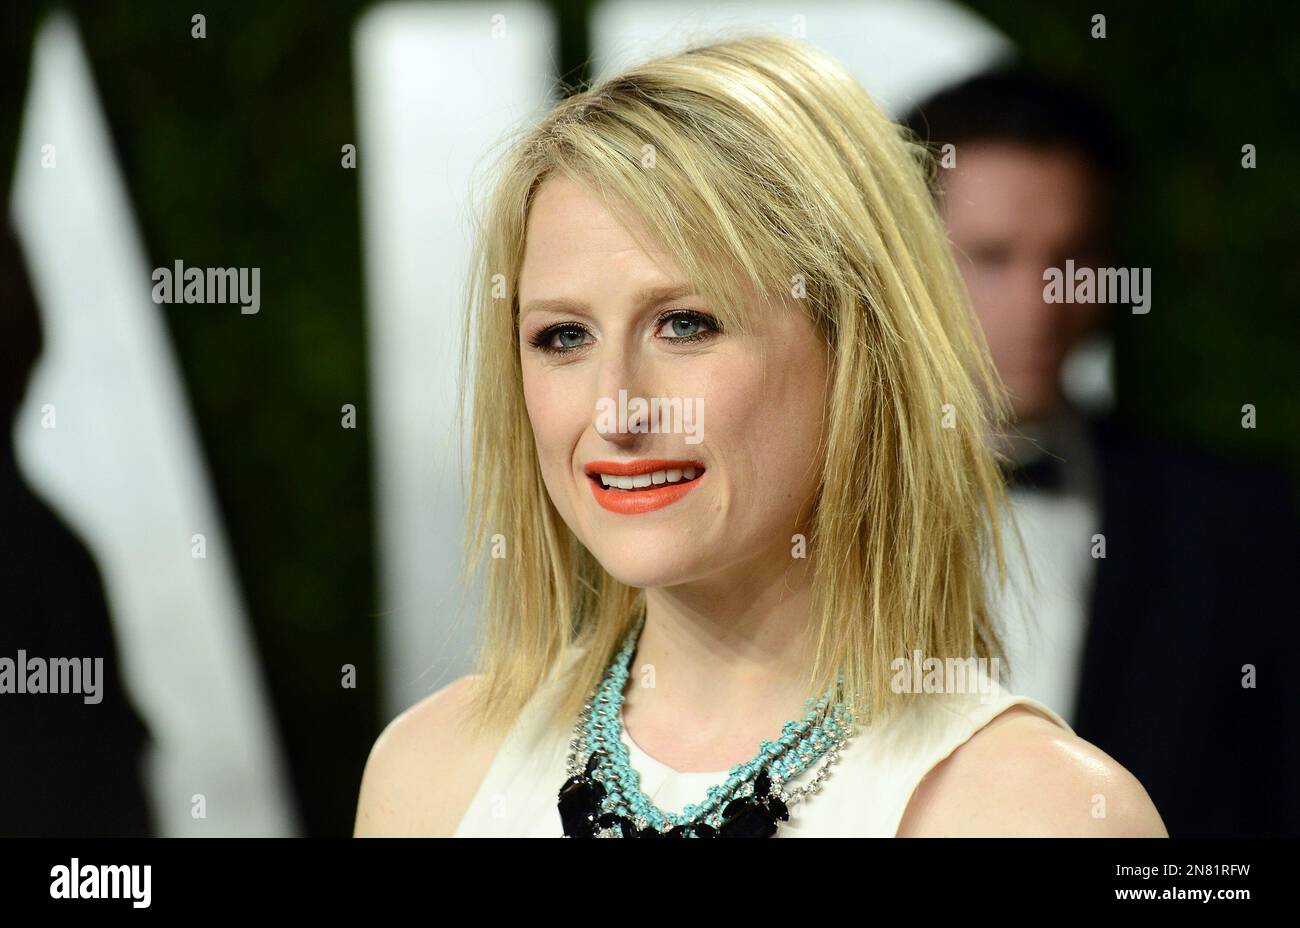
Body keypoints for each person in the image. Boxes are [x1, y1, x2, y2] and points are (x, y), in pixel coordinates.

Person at [353, 35, 1167, 837]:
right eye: (563, 337)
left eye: (685, 324)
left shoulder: (1041, 814)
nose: (615, 412)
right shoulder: (429, 772)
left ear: (857, 350)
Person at [902, 68, 1300, 837]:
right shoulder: (788, 509)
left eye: (1071, 259)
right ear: (903, 263)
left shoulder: (1239, 524)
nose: (1041, 302)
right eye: (989, 257)